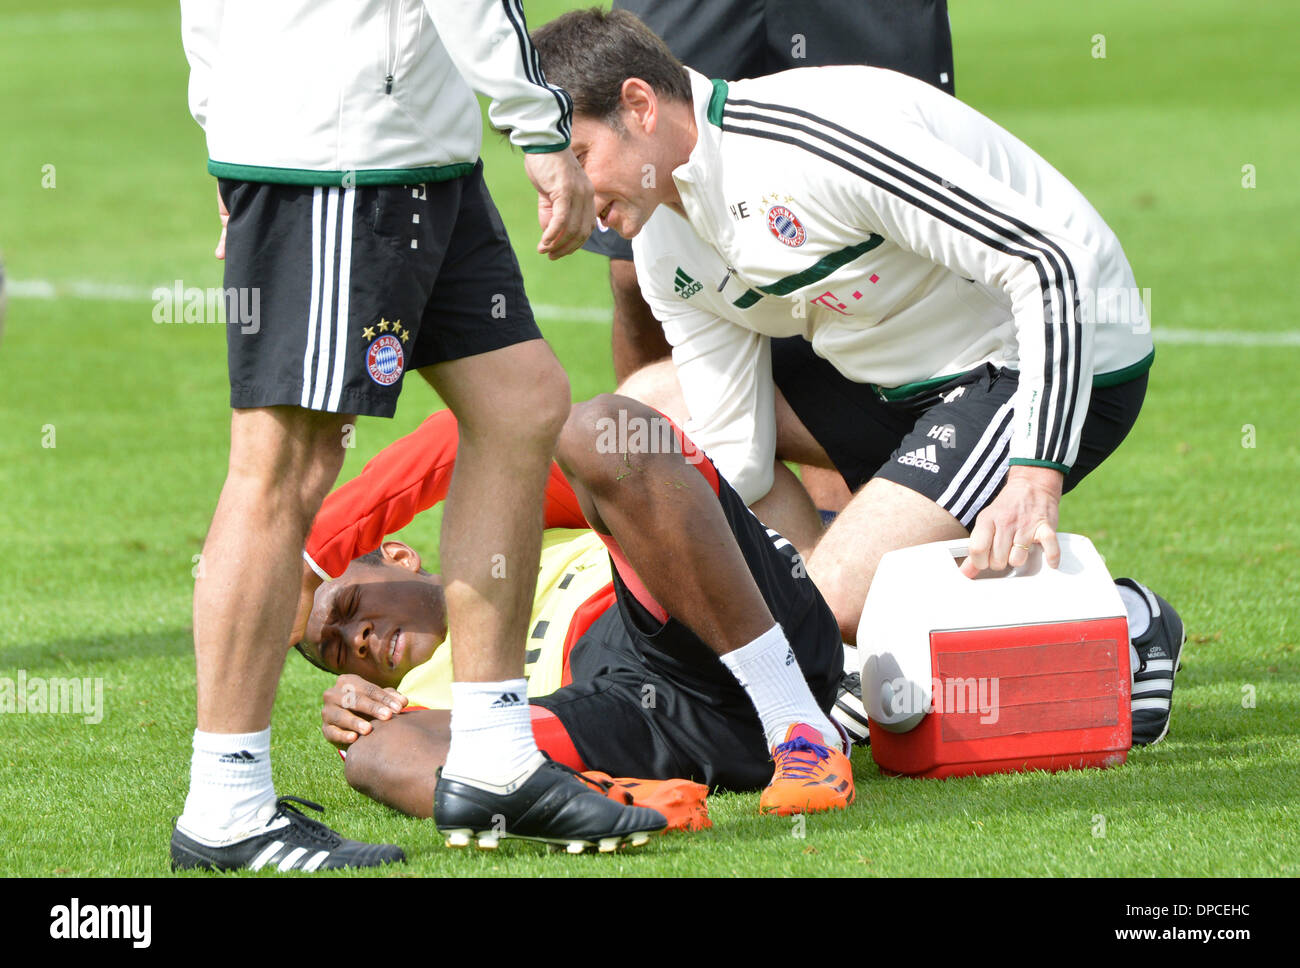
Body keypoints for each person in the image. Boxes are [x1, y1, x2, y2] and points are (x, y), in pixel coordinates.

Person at [531, 10, 1184, 747]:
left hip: (1046, 356)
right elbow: (734, 452)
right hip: (900, 384)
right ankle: (826, 669)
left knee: (836, 596)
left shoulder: (807, 142)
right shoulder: (661, 243)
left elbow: (1048, 262)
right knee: (647, 409)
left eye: (576, 157)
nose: (562, 202)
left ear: (641, 106)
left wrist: (1034, 475)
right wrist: (692, 576)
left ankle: (1124, 620)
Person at [169, 0, 662, 873]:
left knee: (519, 399)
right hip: (340, 144)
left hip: (405, 142)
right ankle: (226, 807)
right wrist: (540, 128)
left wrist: (218, 105)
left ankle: (495, 757)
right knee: (285, 460)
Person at [290, 394, 855, 835]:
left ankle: (800, 727)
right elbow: (399, 754)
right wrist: (356, 720)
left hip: (738, 624)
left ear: (398, 555)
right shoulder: (419, 693)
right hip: (639, 718)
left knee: (603, 428)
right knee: (373, 754)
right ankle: (609, 802)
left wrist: (309, 559)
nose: (357, 638)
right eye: (339, 649)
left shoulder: (512, 528)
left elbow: (462, 436)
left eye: (348, 606)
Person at [582, 1, 955, 513]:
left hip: (981, 376)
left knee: (873, 199)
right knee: (642, 268)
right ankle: (782, 560)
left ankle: (880, 508)